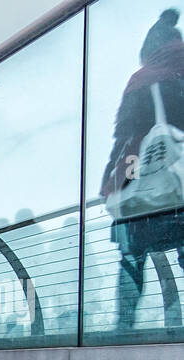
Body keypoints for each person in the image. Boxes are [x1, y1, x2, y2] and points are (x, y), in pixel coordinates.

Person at [101, 9, 184, 330]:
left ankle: (123, 328)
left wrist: (112, 183)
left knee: (131, 258)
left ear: (150, 50)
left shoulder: (142, 80)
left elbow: (126, 138)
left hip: (146, 190)